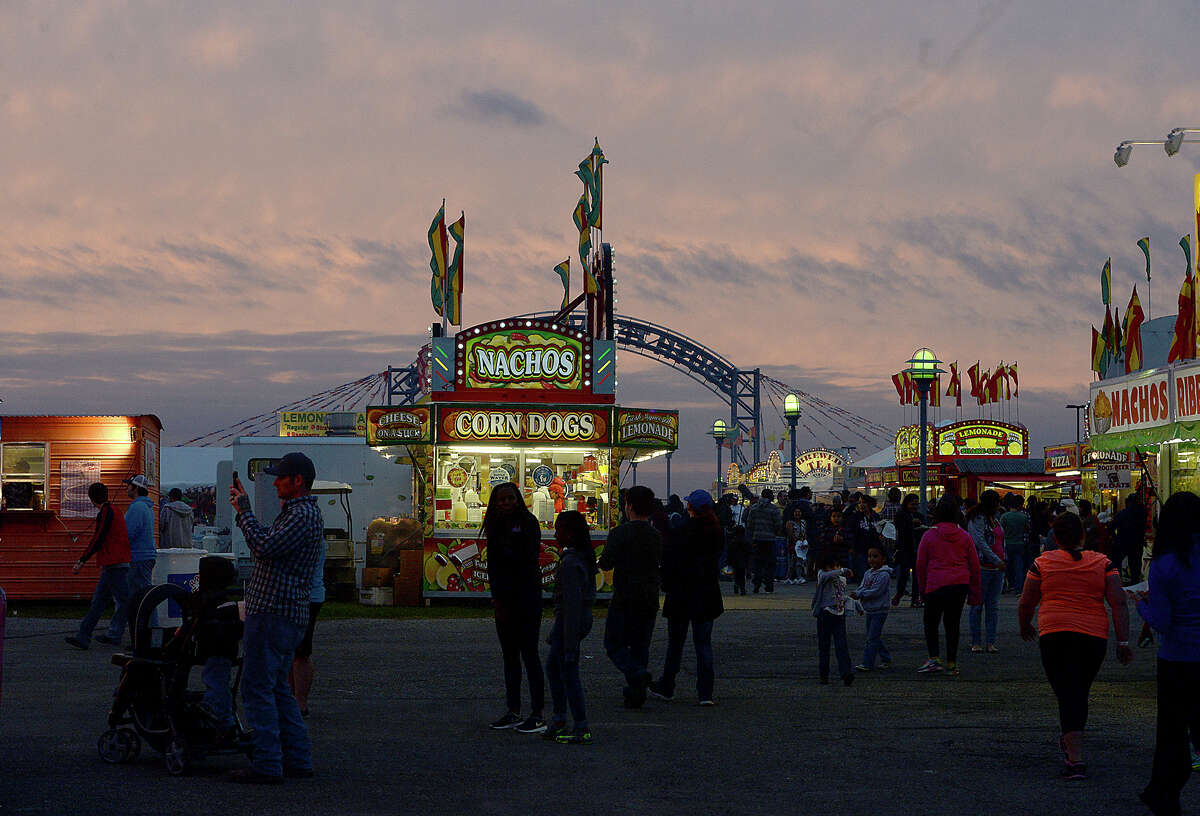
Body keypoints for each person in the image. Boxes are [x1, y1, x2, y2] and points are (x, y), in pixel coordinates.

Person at [228, 452, 323, 783]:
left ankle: (268, 763)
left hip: (273, 612)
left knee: (257, 688)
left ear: (298, 481)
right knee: (278, 690)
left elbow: (264, 547)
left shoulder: (301, 517)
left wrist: (244, 513)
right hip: (284, 613)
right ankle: (297, 758)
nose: (275, 482)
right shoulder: (300, 514)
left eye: (281, 477)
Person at [1018, 511, 1132, 781]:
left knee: (1068, 692)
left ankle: (1075, 757)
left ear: (1055, 537)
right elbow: (1118, 602)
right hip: (1093, 637)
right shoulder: (1103, 563)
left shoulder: (1042, 563)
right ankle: (1072, 744)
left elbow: (1027, 601)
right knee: (1078, 691)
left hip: (1054, 634)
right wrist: (1123, 640)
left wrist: (1025, 625)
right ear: (1083, 535)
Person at [1136, 492, 1200, 815]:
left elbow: (1162, 621)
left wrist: (1141, 607)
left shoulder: (1164, 566)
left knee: (1172, 730)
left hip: (1177, 659)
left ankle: (1164, 791)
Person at [650, 489, 724, 706]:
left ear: (691, 507)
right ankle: (705, 693)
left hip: (681, 591)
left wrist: (666, 581)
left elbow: (670, 559)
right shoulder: (716, 531)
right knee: (703, 644)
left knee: (675, 644)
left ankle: (667, 685)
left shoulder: (682, 529)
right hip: (706, 591)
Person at [482, 481, 546, 733]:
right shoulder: (495, 525)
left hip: (526, 597)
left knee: (529, 655)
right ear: (495, 502)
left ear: (518, 499)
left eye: (510, 498)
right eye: (501, 499)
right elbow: (494, 566)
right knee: (510, 657)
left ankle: (538, 713)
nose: (506, 503)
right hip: (504, 599)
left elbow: (527, 560)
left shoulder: (528, 522)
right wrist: (497, 597)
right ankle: (514, 710)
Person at [598, 484, 662, 709]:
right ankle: (637, 693)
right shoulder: (655, 535)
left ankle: (637, 674)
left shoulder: (620, 533)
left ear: (630, 506)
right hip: (649, 595)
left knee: (614, 644)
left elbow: (606, 562)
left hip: (625, 594)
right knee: (640, 646)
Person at [544, 510, 597, 745]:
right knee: (556, 669)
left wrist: (570, 641)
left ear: (569, 533)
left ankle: (577, 724)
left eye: (558, 530)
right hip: (572, 622)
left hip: (569, 623)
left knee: (566, 670)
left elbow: (572, 605)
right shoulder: (581, 558)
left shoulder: (570, 563)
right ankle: (560, 719)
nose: (555, 535)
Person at [915, 497, 981, 677]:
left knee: (931, 623)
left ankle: (934, 659)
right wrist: (975, 591)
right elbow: (974, 565)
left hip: (935, 583)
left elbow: (920, 565)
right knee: (953, 624)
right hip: (959, 583)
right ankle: (952, 663)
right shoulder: (965, 536)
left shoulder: (929, 535)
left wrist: (922, 590)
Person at [65, 482, 132, 651]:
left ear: (91, 498)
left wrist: (81, 560)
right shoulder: (115, 511)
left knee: (120, 601)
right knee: (101, 601)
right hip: (118, 561)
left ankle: (135, 636)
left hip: (113, 562)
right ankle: (86, 636)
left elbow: (98, 537)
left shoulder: (106, 513)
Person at [105, 474, 157, 644]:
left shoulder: (137, 508)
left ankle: (146, 637)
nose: (126, 488)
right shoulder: (147, 508)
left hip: (138, 557)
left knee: (139, 598)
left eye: (129, 485)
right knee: (134, 596)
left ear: (136, 488)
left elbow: (128, 534)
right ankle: (117, 633)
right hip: (145, 556)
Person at [290, 527, 325, 717]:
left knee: (301, 652)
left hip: (307, 596)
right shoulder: (307, 529)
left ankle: (300, 702)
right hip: (305, 595)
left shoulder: (306, 532)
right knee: (292, 651)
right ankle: (293, 699)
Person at [966, 489, 1005, 654]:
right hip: (983, 566)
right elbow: (980, 542)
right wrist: (997, 560)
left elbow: (1001, 541)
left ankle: (990, 642)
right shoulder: (978, 519)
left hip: (997, 568)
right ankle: (976, 641)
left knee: (993, 606)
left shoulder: (994, 520)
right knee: (977, 605)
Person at [812, 553, 854, 686]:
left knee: (842, 645)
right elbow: (824, 575)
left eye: (837, 566)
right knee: (824, 647)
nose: (835, 570)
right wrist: (841, 571)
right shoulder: (822, 576)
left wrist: (855, 605)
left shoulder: (840, 580)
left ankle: (846, 673)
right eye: (832, 567)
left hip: (839, 614)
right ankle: (823, 675)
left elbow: (841, 596)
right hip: (825, 613)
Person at [852, 546, 893, 671]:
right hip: (870, 609)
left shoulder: (884, 575)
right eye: (870, 556)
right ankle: (885, 657)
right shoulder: (868, 573)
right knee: (873, 636)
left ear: (883, 559)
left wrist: (860, 594)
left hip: (880, 610)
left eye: (875, 556)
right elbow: (862, 586)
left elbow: (876, 591)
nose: (872, 559)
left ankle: (867, 663)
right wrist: (856, 593)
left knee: (872, 637)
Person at [745, 489, 783, 593]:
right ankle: (769, 585)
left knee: (758, 563)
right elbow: (778, 524)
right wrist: (774, 532)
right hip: (770, 539)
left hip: (757, 539)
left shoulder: (754, 508)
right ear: (771, 497)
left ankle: (756, 584)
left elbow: (749, 524)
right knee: (770, 563)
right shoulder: (774, 509)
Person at [892, 493, 922, 608]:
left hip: (917, 549)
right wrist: (911, 523)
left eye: (916, 504)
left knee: (916, 576)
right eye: (912, 504)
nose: (914, 506)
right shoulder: (901, 515)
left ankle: (915, 599)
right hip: (905, 548)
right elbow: (901, 528)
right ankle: (899, 593)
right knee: (904, 575)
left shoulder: (918, 515)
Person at [1111, 494, 1147, 584]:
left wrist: (1114, 537)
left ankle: (1118, 582)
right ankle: (1135, 583)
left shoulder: (1123, 513)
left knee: (1116, 563)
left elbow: (1111, 526)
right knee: (1135, 567)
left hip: (1122, 542)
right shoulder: (1142, 513)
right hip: (1137, 543)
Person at [1000, 494, 1030, 594]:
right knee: (1019, 566)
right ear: (1020, 505)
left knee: (1007, 566)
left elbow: (1000, 531)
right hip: (1020, 544)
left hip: (1007, 544)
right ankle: (1019, 589)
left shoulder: (1004, 516)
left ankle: (1008, 585)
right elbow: (1027, 530)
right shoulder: (1024, 517)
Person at [784, 506, 808, 585]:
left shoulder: (803, 522)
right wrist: (796, 541)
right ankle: (789, 577)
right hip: (792, 544)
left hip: (801, 544)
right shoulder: (789, 522)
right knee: (791, 561)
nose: (797, 513)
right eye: (795, 512)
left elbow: (805, 533)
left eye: (799, 512)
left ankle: (799, 577)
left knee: (800, 562)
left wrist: (803, 542)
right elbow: (790, 534)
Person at [726, 524, 750, 595]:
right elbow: (749, 552)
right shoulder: (745, 542)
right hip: (743, 562)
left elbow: (729, 553)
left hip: (734, 561)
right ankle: (742, 588)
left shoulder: (732, 542)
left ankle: (736, 586)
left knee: (736, 575)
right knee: (742, 575)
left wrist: (728, 562)